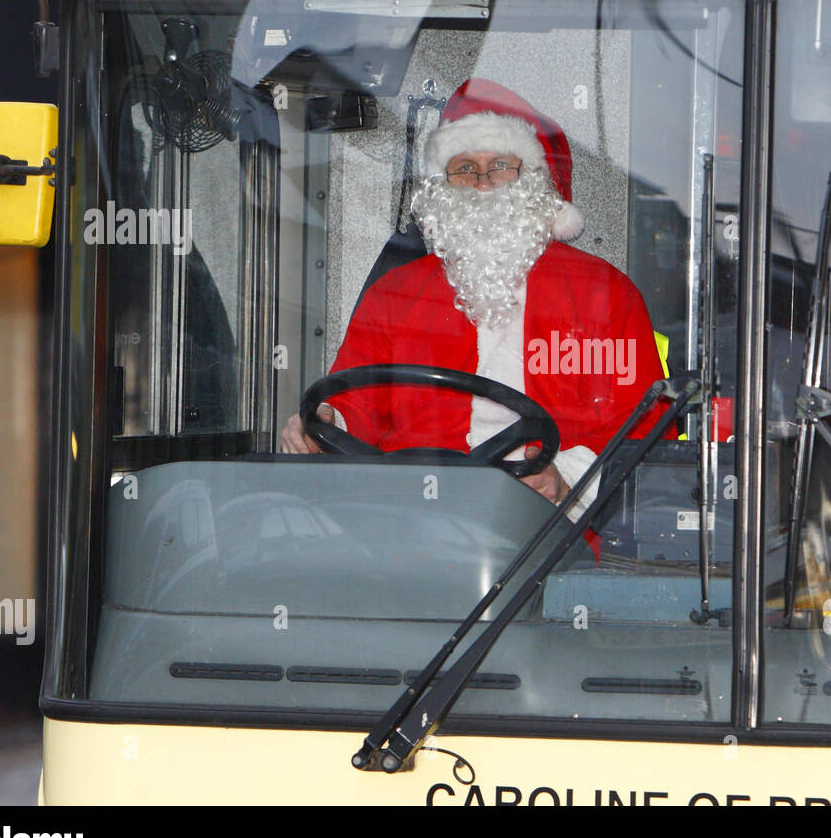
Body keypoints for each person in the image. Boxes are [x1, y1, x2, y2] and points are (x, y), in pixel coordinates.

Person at [281, 78, 668, 515]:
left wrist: (565, 480)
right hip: (410, 516)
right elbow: (357, 399)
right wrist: (326, 425)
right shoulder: (396, 294)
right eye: (464, 168)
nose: (482, 184)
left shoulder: (604, 294)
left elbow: (644, 432)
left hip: (555, 529)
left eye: (501, 165)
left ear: (536, 180)